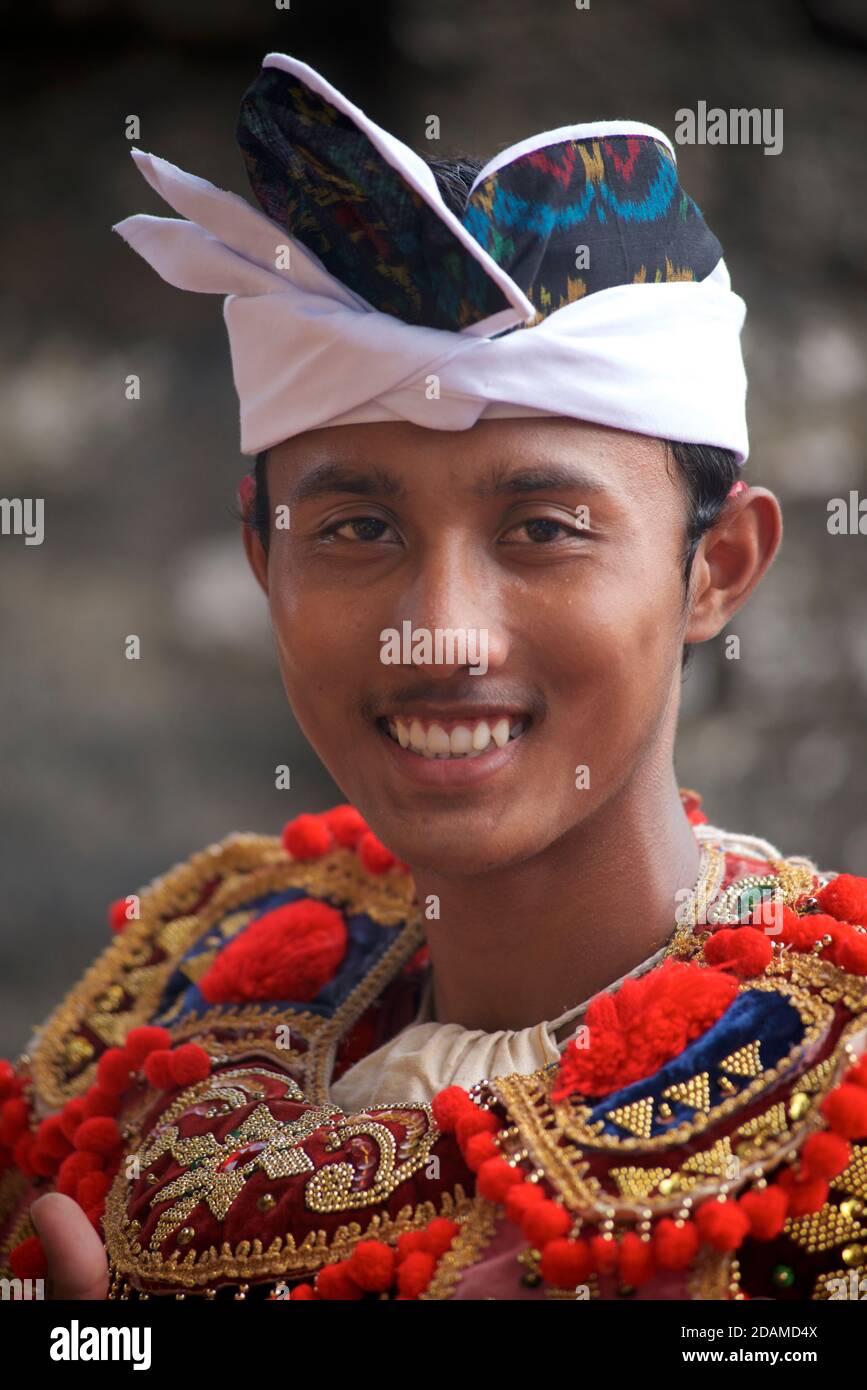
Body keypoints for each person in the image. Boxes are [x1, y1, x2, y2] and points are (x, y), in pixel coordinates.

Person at [1, 52, 866, 1303]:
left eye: (545, 530)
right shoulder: (169, 1005)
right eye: (357, 529)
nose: (441, 634)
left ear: (716, 567)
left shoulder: (832, 1114)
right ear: (263, 559)